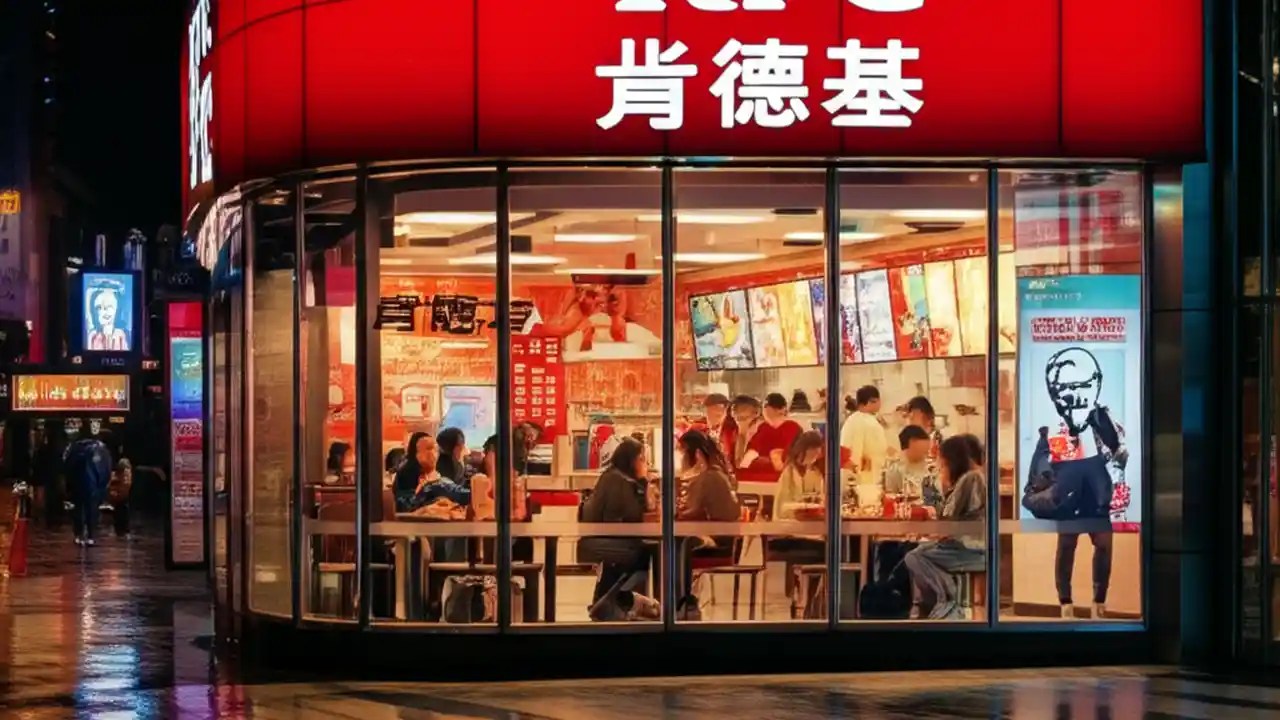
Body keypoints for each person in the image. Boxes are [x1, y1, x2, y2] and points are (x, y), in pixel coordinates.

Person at [902, 435, 987, 620]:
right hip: (970, 545)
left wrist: (943, 484)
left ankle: (948, 598)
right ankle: (940, 600)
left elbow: (948, 518)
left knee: (914, 556)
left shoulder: (970, 479)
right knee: (920, 551)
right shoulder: (974, 479)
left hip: (970, 548)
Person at [579, 438, 655, 618]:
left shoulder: (616, 477)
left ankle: (614, 600)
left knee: (644, 550)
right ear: (632, 460)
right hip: (605, 540)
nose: (645, 464)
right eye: (642, 459)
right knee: (645, 552)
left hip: (603, 538)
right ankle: (623, 600)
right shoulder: (616, 480)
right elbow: (621, 517)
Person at [393, 432, 470, 512]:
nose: (434, 453)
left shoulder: (445, 471)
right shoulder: (406, 474)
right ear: (416, 454)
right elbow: (405, 505)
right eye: (429, 448)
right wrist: (426, 490)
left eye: (436, 449)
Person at [676, 430, 739, 522]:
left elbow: (693, 514)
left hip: (713, 534)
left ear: (698, 454)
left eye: (682, 453)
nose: (681, 460)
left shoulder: (708, 479)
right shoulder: (715, 473)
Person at [63, 433, 113, 546]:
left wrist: (69, 486)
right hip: (93, 487)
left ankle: (79, 535)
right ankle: (90, 535)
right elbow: (105, 471)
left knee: (78, 509)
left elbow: (68, 468)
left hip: (78, 486)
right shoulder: (100, 450)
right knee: (91, 510)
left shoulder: (75, 449)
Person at [739, 393, 803, 479]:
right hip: (763, 472)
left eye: (765, 407)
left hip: (784, 473)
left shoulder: (792, 427)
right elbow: (753, 449)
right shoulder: (764, 427)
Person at [840, 385, 888, 486]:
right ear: (872, 401)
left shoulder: (852, 420)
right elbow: (856, 451)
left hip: (862, 473)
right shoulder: (865, 422)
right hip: (865, 475)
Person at [884, 425, 941, 509]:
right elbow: (890, 499)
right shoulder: (895, 470)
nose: (925, 455)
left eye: (926, 451)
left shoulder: (931, 469)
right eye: (922, 451)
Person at [774, 431, 826, 519]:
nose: (817, 456)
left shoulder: (816, 473)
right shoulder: (788, 473)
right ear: (804, 450)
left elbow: (821, 500)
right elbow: (781, 508)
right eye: (814, 453)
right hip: (790, 525)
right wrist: (804, 507)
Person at [701, 393, 738, 462]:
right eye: (709, 413)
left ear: (726, 411)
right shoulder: (702, 430)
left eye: (718, 415)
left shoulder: (733, 432)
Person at [728, 395, 762, 468]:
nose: (736, 410)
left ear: (756, 413)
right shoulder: (732, 434)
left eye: (742, 407)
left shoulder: (762, 432)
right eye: (734, 408)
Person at [107, 458, 134, 538]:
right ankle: (120, 531)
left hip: (122, 498)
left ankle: (124, 531)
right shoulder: (115, 475)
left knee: (123, 514)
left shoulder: (125, 475)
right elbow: (110, 486)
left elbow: (125, 486)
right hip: (118, 499)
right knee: (118, 515)